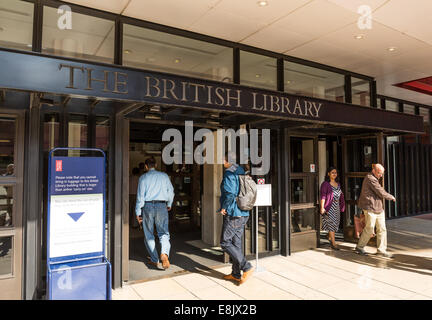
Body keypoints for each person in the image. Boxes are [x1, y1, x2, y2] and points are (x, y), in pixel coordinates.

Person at [219, 153, 254, 285]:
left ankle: (246, 267)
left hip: (234, 213)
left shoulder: (229, 173)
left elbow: (231, 193)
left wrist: (224, 207)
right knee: (236, 243)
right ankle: (235, 274)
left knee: (225, 242)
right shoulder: (241, 170)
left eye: (223, 159)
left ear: (227, 161)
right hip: (244, 213)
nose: (222, 161)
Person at [135, 157, 174, 269]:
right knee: (164, 233)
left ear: (146, 166)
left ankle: (154, 259)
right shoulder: (164, 176)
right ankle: (164, 254)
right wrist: (169, 204)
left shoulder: (143, 178)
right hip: (162, 205)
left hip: (147, 206)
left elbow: (140, 197)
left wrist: (138, 212)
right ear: (156, 165)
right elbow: (171, 192)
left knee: (149, 234)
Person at [355, 163, 396, 258]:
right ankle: (360, 247)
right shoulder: (370, 178)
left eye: (382, 173)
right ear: (374, 170)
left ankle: (381, 249)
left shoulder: (375, 178)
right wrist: (390, 197)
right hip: (370, 207)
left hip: (378, 208)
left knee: (382, 229)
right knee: (369, 228)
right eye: (379, 173)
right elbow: (380, 191)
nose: (381, 175)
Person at [320, 167, 345, 250]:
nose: (334, 174)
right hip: (329, 207)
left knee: (336, 223)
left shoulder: (338, 184)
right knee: (332, 224)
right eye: (332, 172)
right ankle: (333, 243)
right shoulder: (325, 184)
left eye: (335, 173)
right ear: (328, 174)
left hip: (337, 206)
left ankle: (330, 236)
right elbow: (323, 196)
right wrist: (322, 207)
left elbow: (340, 195)